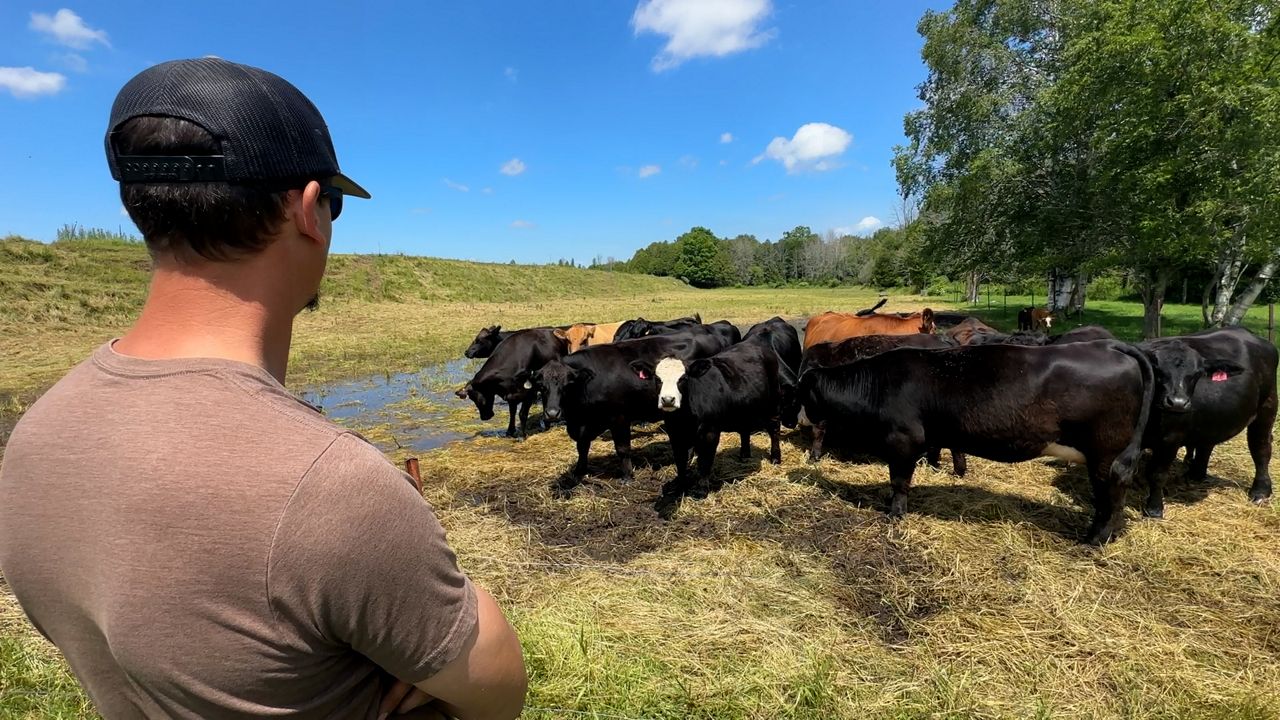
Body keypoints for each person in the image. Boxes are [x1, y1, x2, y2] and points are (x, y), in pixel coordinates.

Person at [0, 57, 527, 719]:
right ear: (309, 210)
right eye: (333, 204)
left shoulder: (37, 435)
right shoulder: (333, 488)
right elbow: (501, 688)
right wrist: (461, 601)